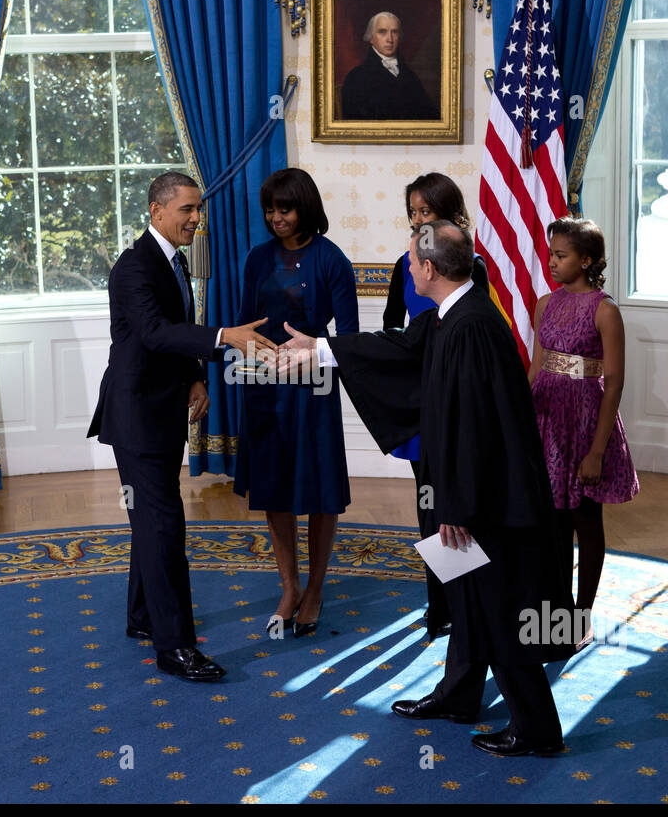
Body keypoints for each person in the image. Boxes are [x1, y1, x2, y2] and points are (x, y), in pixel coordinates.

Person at [279, 220, 576, 757]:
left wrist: (455, 505)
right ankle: (460, 694)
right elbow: (399, 348)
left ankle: (537, 729)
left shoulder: (470, 326)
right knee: (463, 594)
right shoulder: (452, 314)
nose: (407, 270)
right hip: (466, 490)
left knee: (497, 603)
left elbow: (472, 426)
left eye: (411, 263)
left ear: (430, 269)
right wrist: (322, 348)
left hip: (487, 499)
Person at [88, 172, 275, 681]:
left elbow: (172, 334)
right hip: (137, 418)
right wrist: (223, 337)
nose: (197, 219)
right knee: (165, 527)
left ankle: (143, 617)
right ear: (156, 210)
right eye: (188, 210)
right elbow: (153, 332)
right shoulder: (133, 268)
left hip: (164, 408)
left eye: (199, 210)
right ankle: (175, 648)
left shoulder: (173, 259)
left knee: (151, 521)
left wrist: (195, 377)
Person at [233, 168, 358, 638]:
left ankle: (317, 588)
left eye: (284, 208)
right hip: (265, 389)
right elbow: (246, 324)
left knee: (320, 491)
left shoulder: (332, 259)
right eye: (269, 209)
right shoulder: (256, 258)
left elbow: (349, 338)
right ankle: (289, 587)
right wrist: (245, 356)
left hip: (315, 390)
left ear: (305, 207)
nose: (276, 217)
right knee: (273, 487)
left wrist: (313, 352)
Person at [381, 172, 488, 640]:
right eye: (414, 214)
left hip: (456, 402)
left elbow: (467, 336)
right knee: (429, 507)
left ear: (450, 214)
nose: (419, 221)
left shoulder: (471, 270)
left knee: (456, 504)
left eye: (427, 212)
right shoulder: (404, 266)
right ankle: (439, 603)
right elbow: (390, 329)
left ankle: (465, 600)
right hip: (421, 401)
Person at [528, 217, 639, 647]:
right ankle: (556, 610)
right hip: (547, 420)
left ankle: (583, 613)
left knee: (585, 519)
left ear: (586, 260)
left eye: (561, 255)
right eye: (552, 254)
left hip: (586, 421)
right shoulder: (544, 304)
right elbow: (538, 366)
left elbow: (614, 382)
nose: (552, 262)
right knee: (552, 520)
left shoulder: (605, 310)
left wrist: (597, 450)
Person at [340, 12, 440, 120]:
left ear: (399, 37)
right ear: (371, 38)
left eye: (395, 32)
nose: (390, 39)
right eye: (382, 32)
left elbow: (430, 113)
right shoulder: (356, 77)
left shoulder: (409, 74)